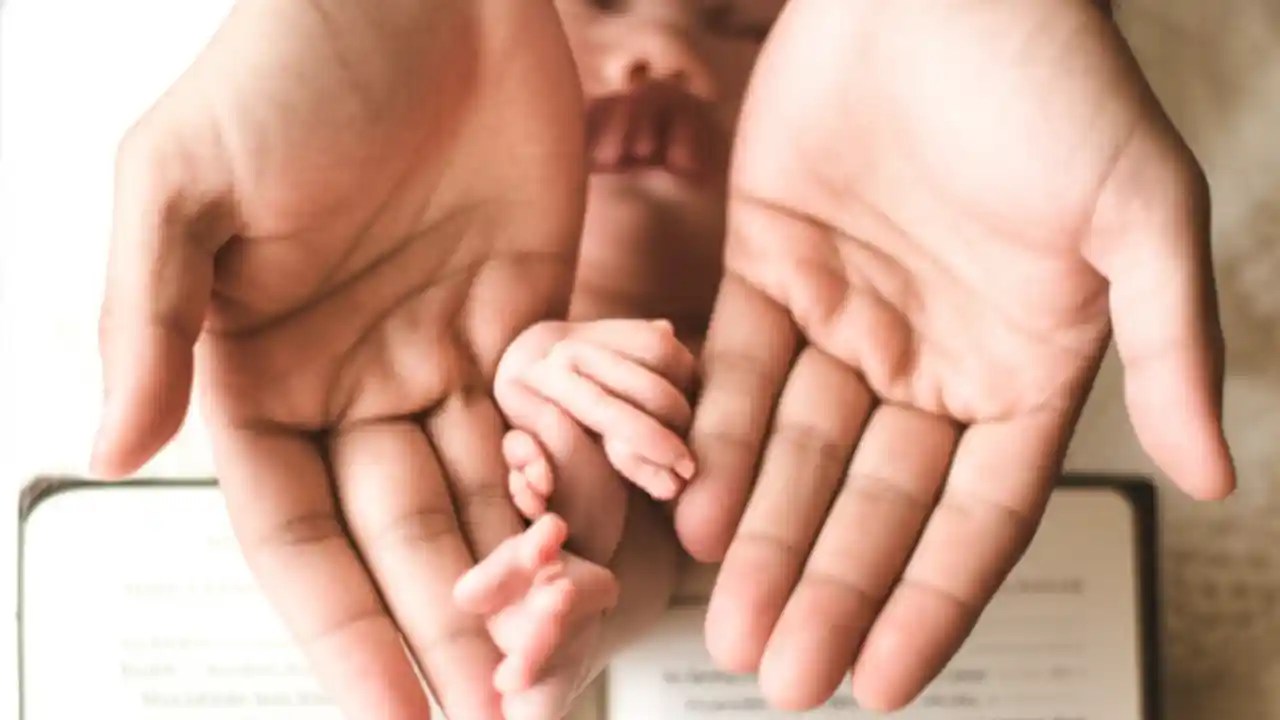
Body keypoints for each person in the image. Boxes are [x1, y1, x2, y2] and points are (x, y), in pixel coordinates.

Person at [91, 0, 1234, 718]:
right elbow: (620, 543)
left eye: (744, 25)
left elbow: (666, 523)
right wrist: (559, 553)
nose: (661, 51)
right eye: (594, 7)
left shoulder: (813, 345)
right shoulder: (421, 312)